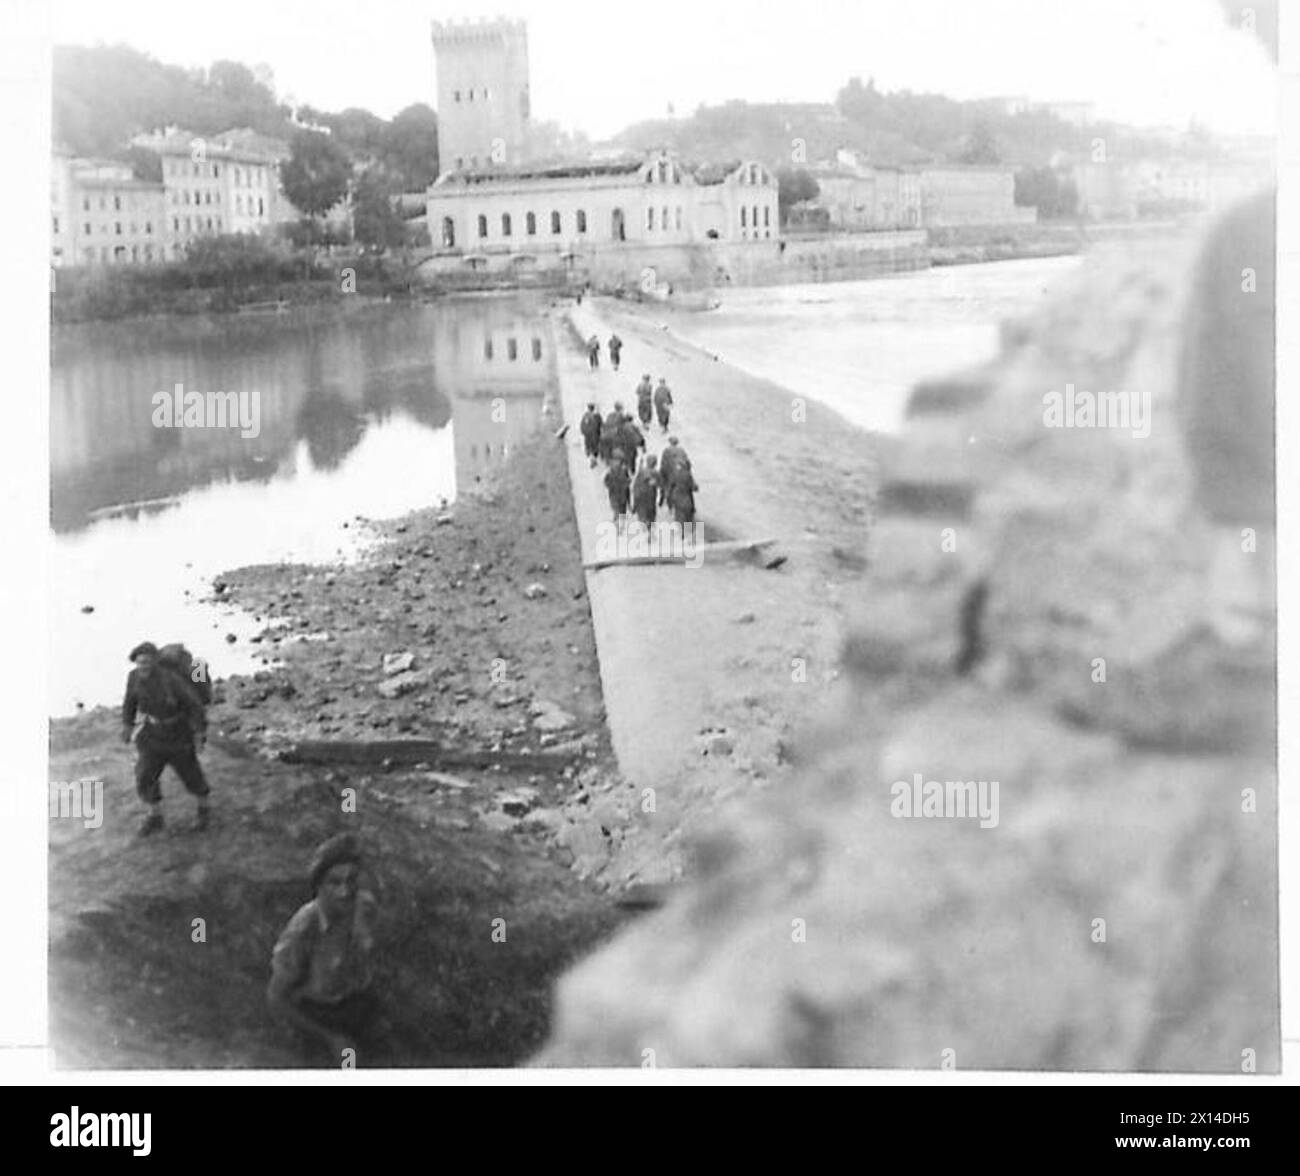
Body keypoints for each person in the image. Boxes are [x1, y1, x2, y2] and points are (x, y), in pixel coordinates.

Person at [267, 833, 385, 1066]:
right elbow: (276, 998)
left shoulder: (364, 906)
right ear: (318, 885)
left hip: (359, 1005)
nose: (345, 891)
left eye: (351, 880)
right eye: (335, 882)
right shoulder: (304, 929)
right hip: (317, 1017)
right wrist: (331, 1039)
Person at [121, 641, 210, 836]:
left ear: (154, 662)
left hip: (178, 732)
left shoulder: (171, 680)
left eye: (146, 662)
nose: (142, 666)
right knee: (144, 774)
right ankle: (155, 816)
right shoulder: (133, 677)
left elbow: (195, 705)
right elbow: (129, 702)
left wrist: (199, 732)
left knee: (191, 774)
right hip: (151, 734)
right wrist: (127, 725)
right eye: (139, 662)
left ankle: (203, 811)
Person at [658, 436, 687, 507]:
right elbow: (686, 461)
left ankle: (665, 501)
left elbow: (664, 463)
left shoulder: (667, 450)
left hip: (670, 473)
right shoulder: (682, 450)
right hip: (681, 472)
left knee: (667, 486)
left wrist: (662, 473)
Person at [632, 455, 660, 527]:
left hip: (641, 496)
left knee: (642, 515)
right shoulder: (656, 473)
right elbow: (659, 484)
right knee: (651, 515)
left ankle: (644, 524)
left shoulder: (641, 472)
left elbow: (635, 485)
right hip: (651, 497)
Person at [668, 459, 699, 524]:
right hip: (686, 498)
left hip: (676, 498)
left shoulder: (676, 474)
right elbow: (694, 488)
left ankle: (679, 529)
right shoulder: (688, 475)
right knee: (687, 516)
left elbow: (670, 486)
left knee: (679, 515)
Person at [604, 451, 631, 524]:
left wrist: (610, 486)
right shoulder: (622, 470)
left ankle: (617, 520)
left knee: (618, 509)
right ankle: (618, 522)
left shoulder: (611, 470)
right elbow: (628, 481)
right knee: (620, 510)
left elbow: (606, 481)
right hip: (621, 494)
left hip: (615, 494)